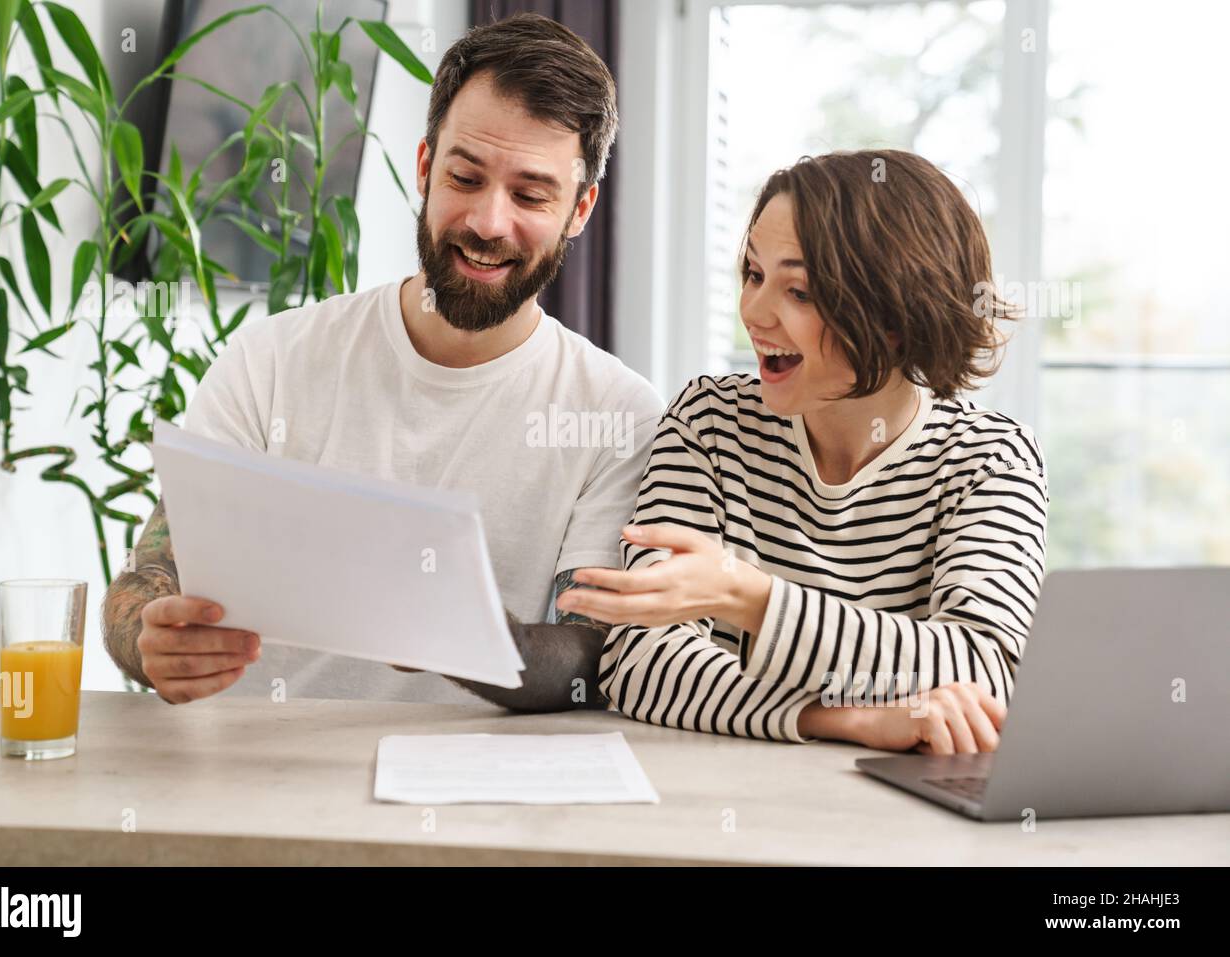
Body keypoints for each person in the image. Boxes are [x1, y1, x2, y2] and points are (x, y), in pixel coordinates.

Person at [102, 14, 663, 709]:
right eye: (465, 176)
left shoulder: (619, 414)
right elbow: (149, 571)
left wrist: (451, 625)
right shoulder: (269, 361)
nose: (489, 222)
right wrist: (148, 640)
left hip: (467, 792)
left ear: (580, 209)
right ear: (425, 168)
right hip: (250, 777)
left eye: (530, 195)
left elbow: (593, 653)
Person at [559, 150, 1049, 752]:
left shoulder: (992, 459)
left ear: (898, 313)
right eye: (753, 274)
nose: (755, 312)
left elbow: (986, 671)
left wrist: (747, 598)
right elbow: (639, 665)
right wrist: (846, 719)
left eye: (800, 291)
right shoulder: (709, 425)